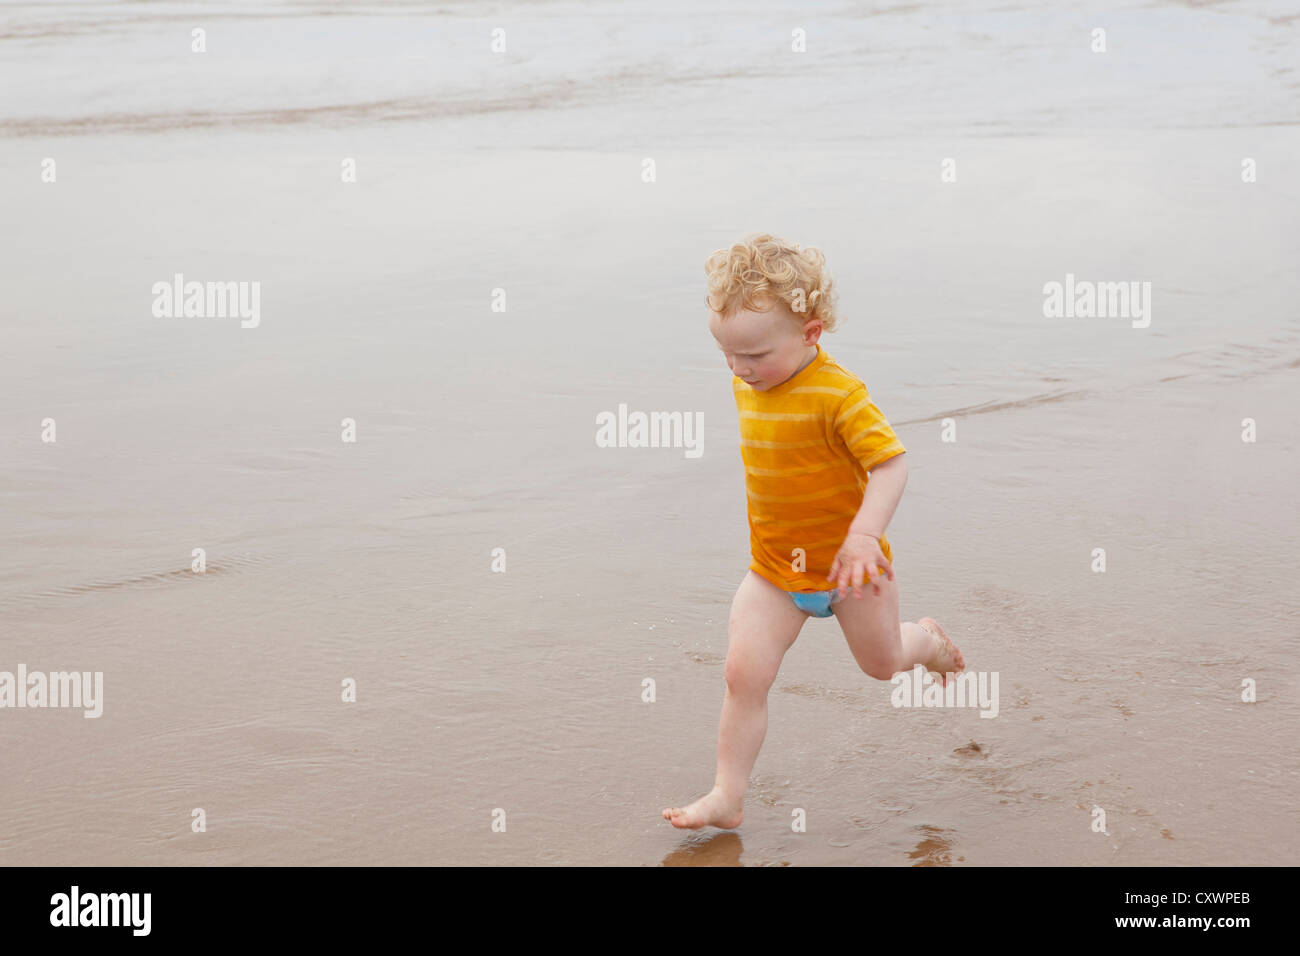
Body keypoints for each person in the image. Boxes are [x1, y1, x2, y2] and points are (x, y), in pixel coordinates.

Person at [662, 233, 965, 830]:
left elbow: (891, 463)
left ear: (811, 332)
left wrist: (862, 536)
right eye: (728, 355)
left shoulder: (839, 393)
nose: (742, 371)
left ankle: (926, 642)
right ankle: (728, 794)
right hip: (774, 571)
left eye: (755, 355)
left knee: (882, 665)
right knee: (742, 674)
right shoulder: (749, 381)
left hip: (852, 571)